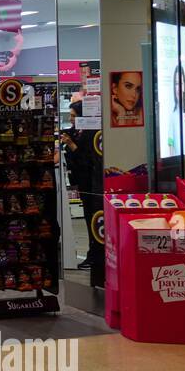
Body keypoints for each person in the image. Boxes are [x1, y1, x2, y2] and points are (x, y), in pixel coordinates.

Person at [60, 100, 102, 272]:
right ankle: (94, 254)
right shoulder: (78, 131)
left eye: (73, 116)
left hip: (91, 183)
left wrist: (70, 144)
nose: (71, 119)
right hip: (82, 182)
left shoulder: (91, 133)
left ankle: (95, 256)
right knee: (88, 217)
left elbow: (87, 160)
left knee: (92, 217)